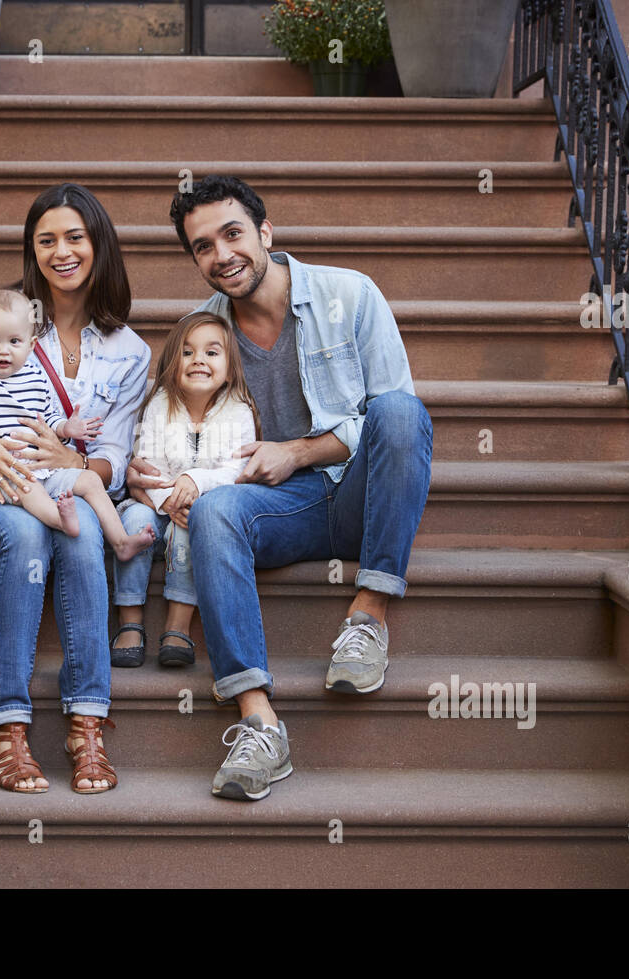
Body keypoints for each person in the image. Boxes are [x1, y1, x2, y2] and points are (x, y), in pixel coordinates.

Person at [128, 175, 433, 801]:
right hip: (278, 509)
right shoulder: (200, 334)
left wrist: (297, 450)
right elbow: (167, 422)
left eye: (233, 234)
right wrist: (141, 470)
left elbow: (388, 415)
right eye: (203, 246)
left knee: (404, 413)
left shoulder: (351, 293)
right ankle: (258, 723)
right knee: (214, 510)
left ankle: (369, 615)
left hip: (357, 494)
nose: (222, 255)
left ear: (265, 233)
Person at [0, 183, 151, 795]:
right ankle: (7, 727)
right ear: (32, 250)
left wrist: (66, 457)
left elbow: (113, 461)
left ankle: (86, 725)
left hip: (53, 485)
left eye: (75, 237)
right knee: (28, 527)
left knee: (77, 533)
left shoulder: (130, 352)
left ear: (99, 245)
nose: (62, 251)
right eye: (46, 239)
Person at [0, 285, 155, 560]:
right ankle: (58, 520)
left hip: (37, 470)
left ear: (31, 345)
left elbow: (48, 418)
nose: (3, 351)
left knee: (88, 480)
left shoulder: (35, 377)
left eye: (14, 342)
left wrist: (66, 428)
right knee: (28, 489)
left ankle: (122, 541)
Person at [110, 311, 261, 668]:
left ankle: (178, 624)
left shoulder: (239, 410)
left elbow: (238, 470)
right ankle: (129, 620)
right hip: (156, 502)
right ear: (172, 362)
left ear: (229, 366)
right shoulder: (160, 405)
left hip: (202, 510)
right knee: (134, 518)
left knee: (192, 527)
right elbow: (147, 466)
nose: (199, 361)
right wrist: (168, 501)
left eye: (212, 352)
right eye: (188, 352)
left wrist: (195, 482)